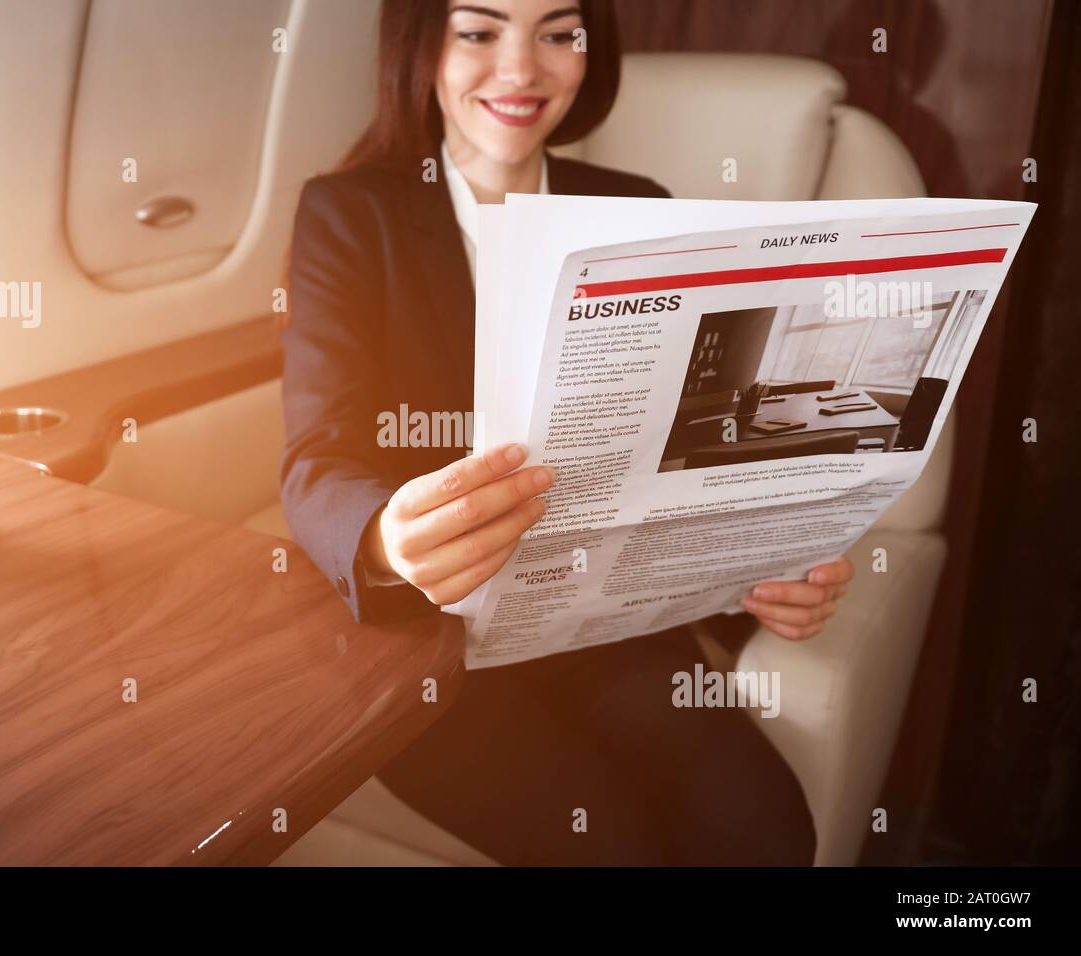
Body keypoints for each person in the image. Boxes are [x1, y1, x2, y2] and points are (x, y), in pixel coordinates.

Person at [280, 0, 853, 865]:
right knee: (610, 848)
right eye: (479, 32)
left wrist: (762, 561)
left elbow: (692, 442)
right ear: (421, 48)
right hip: (430, 642)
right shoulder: (350, 212)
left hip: (599, 621)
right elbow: (316, 457)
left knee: (765, 830)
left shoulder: (638, 208)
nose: (522, 70)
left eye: (558, 33)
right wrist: (387, 539)